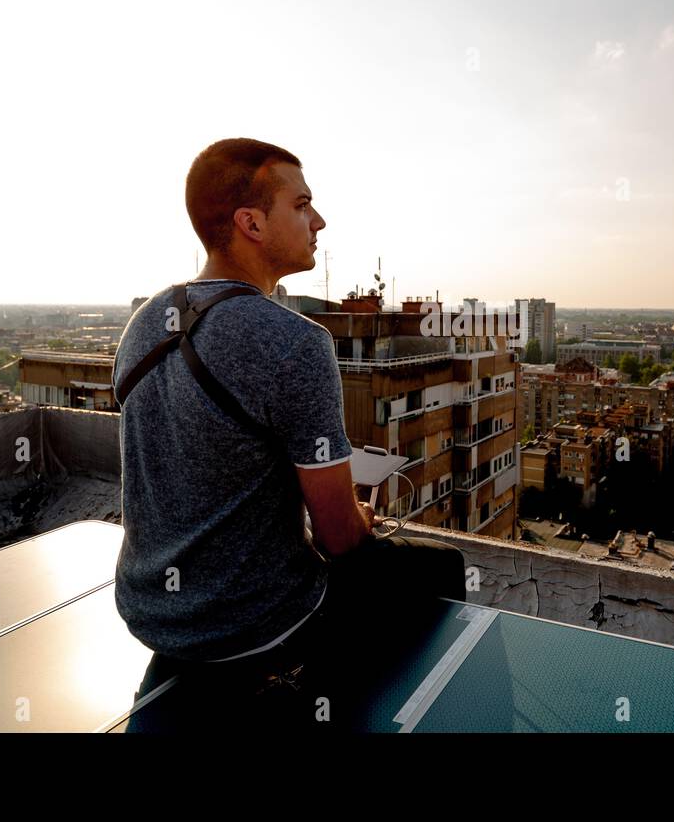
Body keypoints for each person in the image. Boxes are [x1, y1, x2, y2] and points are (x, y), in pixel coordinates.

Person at [113, 138, 466, 731]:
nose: (318, 220)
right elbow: (339, 540)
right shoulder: (295, 342)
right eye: (301, 204)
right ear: (251, 222)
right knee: (444, 566)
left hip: (153, 613)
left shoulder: (145, 322)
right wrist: (359, 516)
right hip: (256, 624)